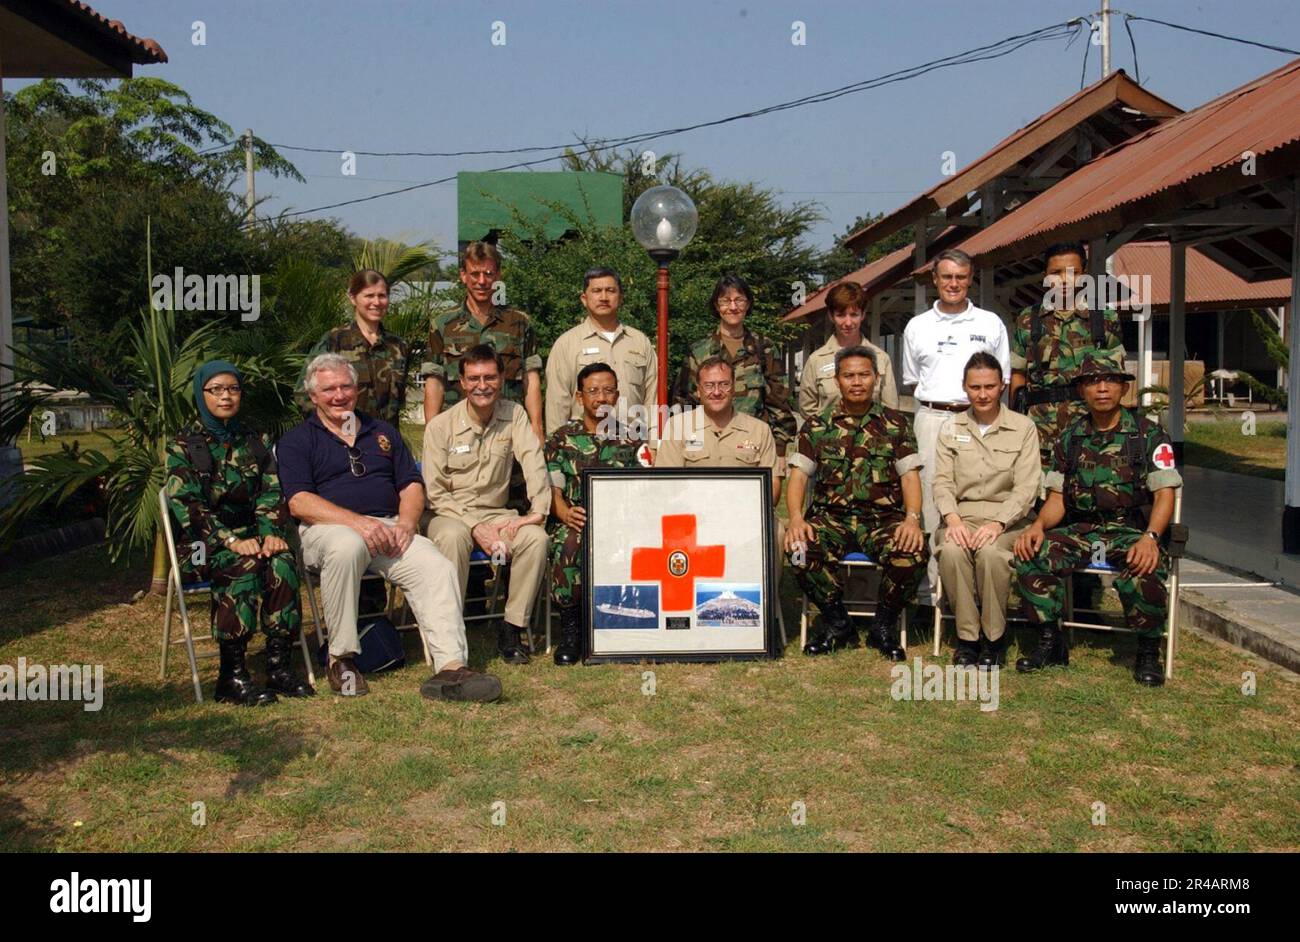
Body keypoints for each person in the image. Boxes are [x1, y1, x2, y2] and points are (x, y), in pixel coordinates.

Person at [278, 353, 500, 702]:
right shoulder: (297, 440)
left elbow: (411, 485)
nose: (339, 395)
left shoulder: (381, 431)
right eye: (329, 389)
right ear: (313, 395)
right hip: (327, 529)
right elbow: (299, 502)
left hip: (388, 528)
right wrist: (357, 523)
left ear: (357, 390)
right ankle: (342, 658)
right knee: (347, 546)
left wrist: (408, 523)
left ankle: (451, 667)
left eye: (345, 386)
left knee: (436, 565)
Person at [1013, 351, 1182, 686]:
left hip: (1130, 529)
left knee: (1144, 569)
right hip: (1082, 529)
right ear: (1081, 390)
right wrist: (1037, 526)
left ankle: (1148, 653)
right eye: (1092, 382)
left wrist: (1150, 538)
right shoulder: (1070, 438)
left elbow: (1165, 493)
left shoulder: (1148, 435)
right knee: (1032, 556)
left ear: (1123, 388)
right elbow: (1059, 497)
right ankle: (1051, 643)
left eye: (1110, 381)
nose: (1102, 388)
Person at [166, 360, 313, 705]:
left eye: (232, 389)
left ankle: (278, 668)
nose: (226, 397)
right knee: (242, 566)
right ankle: (231, 677)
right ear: (202, 395)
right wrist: (230, 541)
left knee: (281, 563)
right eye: (216, 390)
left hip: (252, 537)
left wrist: (269, 534)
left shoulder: (255, 440)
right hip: (202, 545)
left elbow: (271, 491)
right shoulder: (183, 445)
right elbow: (187, 505)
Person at [785, 346, 927, 659]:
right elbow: (797, 478)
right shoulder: (817, 426)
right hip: (830, 520)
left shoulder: (897, 425)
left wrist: (912, 518)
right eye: (849, 375)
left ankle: (884, 625)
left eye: (864, 374)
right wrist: (796, 519)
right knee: (797, 552)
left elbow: (909, 477)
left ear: (876, 378)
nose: (857, 381)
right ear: (837, 380)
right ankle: (837, 622)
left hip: (883, 520)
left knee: (912, 552)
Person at [424, 345, 550, 666]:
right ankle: (450, 633)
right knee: (453, 537)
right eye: (474, 378)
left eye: (490, 377)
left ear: (502, 378)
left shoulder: (515, 414)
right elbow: (436, 493)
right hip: (449, 514)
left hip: (497, 514)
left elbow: (533, 461)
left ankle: (512, 628)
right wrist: (473, 526)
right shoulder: (440, 426)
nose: (483, 385)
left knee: (535, 539)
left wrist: (538, 510)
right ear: (462, 383)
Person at [901, 248, 1010, 605]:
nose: (953, 284)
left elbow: (1003, 378)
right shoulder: (917, 326)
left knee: (978, 496)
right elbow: (913, 380)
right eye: (946, 276)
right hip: (932, 417)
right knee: (932, 501)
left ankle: (976, 592)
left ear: (970, 279)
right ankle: (932, 595)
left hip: (978, 417)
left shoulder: (990, 323)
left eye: (960, 277)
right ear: (934, 279)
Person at [932, 352, 1040, 667]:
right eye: (975, 387)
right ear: (964, 387)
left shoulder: (1023, 428)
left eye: (990, 386)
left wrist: (997, 523)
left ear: (1003, 386)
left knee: (992, 554)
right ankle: (968, 639)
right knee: (952, 552)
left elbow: (1027, 487)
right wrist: (952, 520)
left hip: (1008, 520)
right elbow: (941, 482)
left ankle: (994, 639)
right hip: (960, 516)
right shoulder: (950, 428)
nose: (982, 394)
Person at [545, 362, 647, 665]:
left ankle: (627, 625)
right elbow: (553, 490)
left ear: (617, 396)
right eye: (593, 391)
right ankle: (572, 630)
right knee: (569, 544)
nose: (601, 397)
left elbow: (645, 490)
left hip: (621, 521)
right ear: (580, 397)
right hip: (577, 519)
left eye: (607, 391)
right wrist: (564, 513)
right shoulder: (561, 439)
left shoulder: (632, 440)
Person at [1008, 242, 1125, 469]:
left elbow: (1117, 377)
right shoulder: (1027, 320)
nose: (1063, 280)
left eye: (1073, 273)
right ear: (1045, 277)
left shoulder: (1104, 319)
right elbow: (1018, 376)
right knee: (1040, 498)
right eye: (1055, 273)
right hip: (1039, 432)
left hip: (1090, 429)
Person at [422, 241, 543, 442]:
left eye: (488, 274)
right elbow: (434, 382)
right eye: (475, 274)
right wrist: (431, 432)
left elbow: (531, 379)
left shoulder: (519, 323)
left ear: (498, 275)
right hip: (458, 432)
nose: (482, 281)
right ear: (463, 275)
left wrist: (537, 427)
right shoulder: (443, 324)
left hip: (508, 431)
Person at [669, 273, 797, 462]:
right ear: (716, 305)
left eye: (739, 300)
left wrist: (778, 451)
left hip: (751, 447)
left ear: (748, 304)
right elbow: (683, 402)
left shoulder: (764, 348)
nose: (733, 307)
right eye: (725, 301)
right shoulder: (699, 350)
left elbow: (779, 402)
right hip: (706, 447)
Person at [545, 267, 658, 437]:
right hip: (583, 446)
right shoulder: (566, 344)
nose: (604, 297)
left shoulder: (640, 342)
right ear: (584, 298)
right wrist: (557, 448)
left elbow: (653, 399)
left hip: (632, 444)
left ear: (620, 298)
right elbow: (557, 403)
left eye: (610, 291)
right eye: (597, 291)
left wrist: (654, 444)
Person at [656, 357, 782, 506]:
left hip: (745, 513)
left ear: (734, 387)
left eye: (724, 384)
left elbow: (773, 483)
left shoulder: (759, 430)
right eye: (709, 385)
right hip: (694, 513)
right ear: (698, 390)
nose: (717, 392)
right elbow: (667, 484)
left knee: (778, 530)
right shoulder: (677, 427)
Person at [298, 269, 410, 427]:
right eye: (369, 295)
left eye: (382, 295)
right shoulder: (334, 340)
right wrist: (328, 430)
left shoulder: (398, 346)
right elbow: (304, 393)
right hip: (343, 436)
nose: (376, 302)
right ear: (353, 298)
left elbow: (398, 402)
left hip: (384, 441)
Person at [798, 281, 898, 423]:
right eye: (841, 315)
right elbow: (807, 407)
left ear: (863, 314)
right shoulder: (816, 360)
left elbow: (890, 407)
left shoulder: (881, 358)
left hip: (871, 440)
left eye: (854, 314)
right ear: (831, 316)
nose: (848, 322)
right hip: (830, 440)